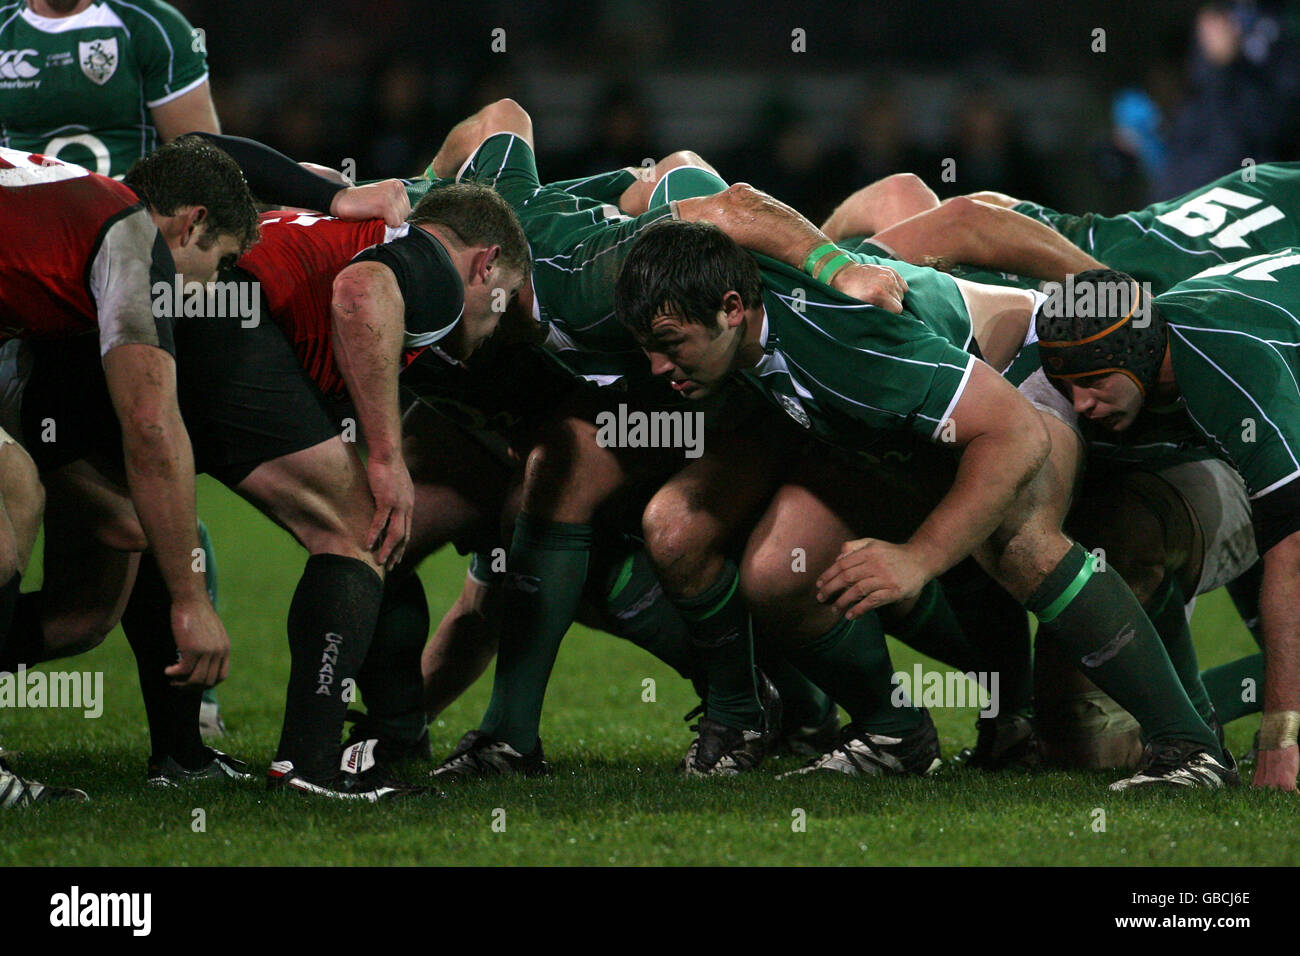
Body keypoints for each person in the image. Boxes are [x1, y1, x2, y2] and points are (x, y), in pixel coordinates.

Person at [616, 219, 1236, 790]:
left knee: (1013, 537)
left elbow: (1013, 436)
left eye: (670, 342)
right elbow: (725, 199)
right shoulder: (728, 287)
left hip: (1020, 373)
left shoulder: (846, 340)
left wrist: (918, 558)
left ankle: (1188, 748)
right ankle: (895, 733)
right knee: (781, 570)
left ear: (731, 310)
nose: (657, 366)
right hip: (913, 427)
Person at [1036, 262, 1300, 791]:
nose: (1081, 403)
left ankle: (1205, 727)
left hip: (1267, 436)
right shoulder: (1113, 338)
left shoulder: (1233, 366)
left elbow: (1291, 554)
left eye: (1092, 381)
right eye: (1068, 385)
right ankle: (1196, 726)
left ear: (1137, 355)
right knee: (1082, 743)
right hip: (1243, 453)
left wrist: (1280, 738)